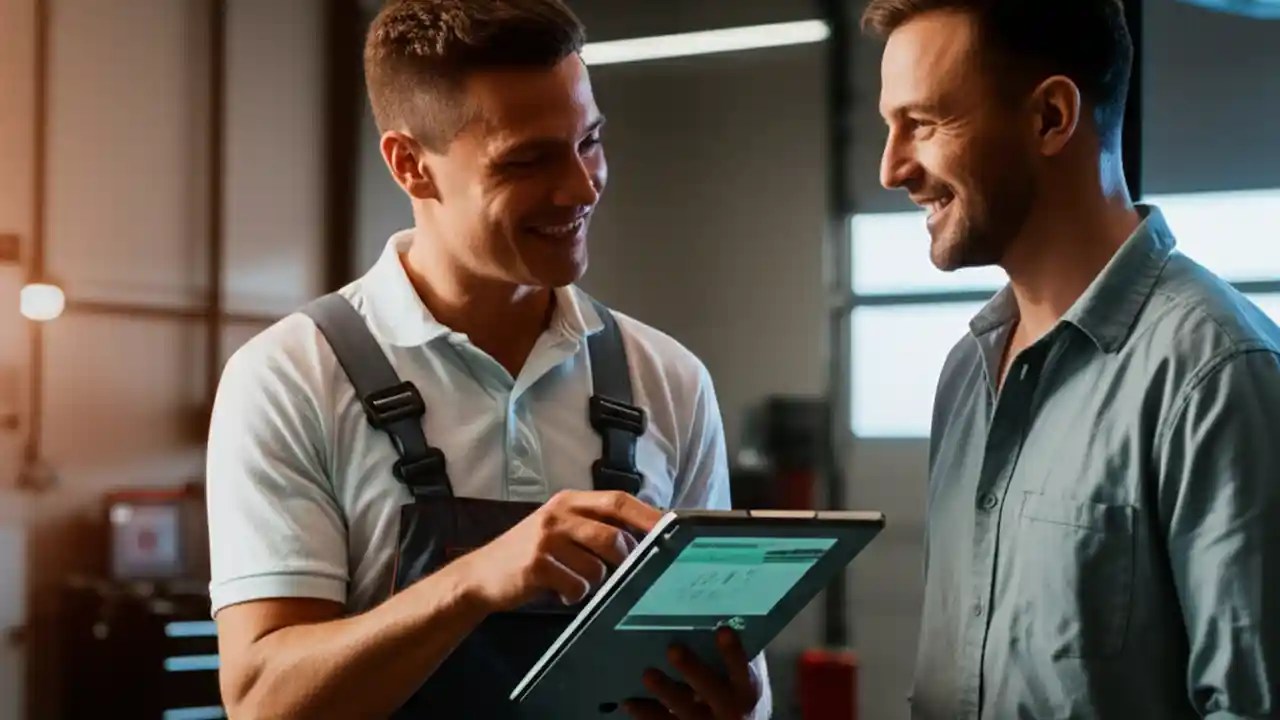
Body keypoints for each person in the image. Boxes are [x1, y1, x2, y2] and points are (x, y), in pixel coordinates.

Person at [204, 1, 771, 718]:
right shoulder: (290, 378)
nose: (582, 187)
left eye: (589, 141)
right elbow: (261, 702)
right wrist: (474, 581)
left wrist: (735, 703)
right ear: (411, 165)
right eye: (528, 159)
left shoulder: (670, 380)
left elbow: (738, 682)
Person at [861, 0, 1280, 718]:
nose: (891, 168)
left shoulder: (1215, 371)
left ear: (1052, 117)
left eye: (923, 124)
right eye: (888, 128)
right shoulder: (967, 372)